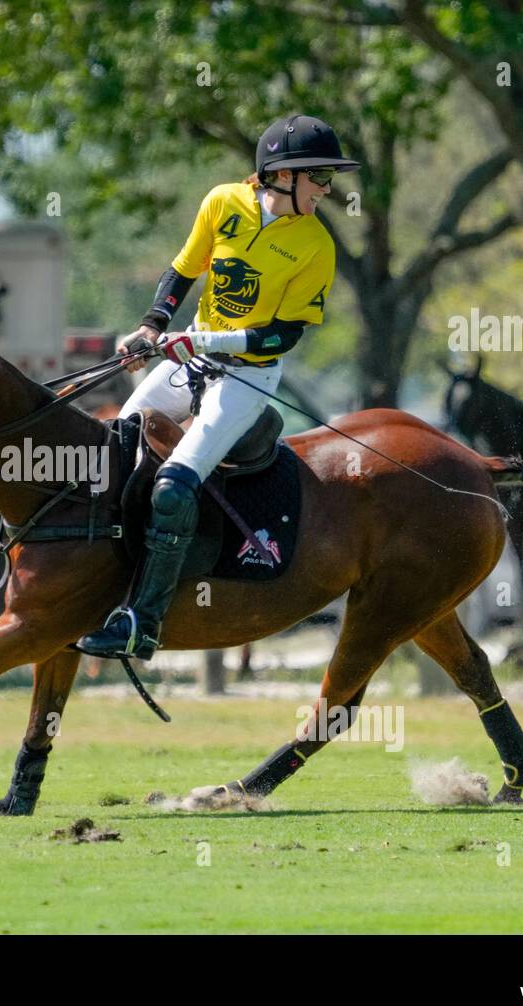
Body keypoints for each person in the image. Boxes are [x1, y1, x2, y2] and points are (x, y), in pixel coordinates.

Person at [78, 113, 360, 660]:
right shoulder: (222, 203)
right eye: (319, 176)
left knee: (174, 486)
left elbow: (283, 336)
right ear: (282, 175)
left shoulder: (316, 245)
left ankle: (144, 621)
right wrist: (150, 328)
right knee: (112, 452)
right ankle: (91, 586)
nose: (328, 188)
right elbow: (183, 271)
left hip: (248, 376)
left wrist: (208, 343)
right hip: (189, 358)